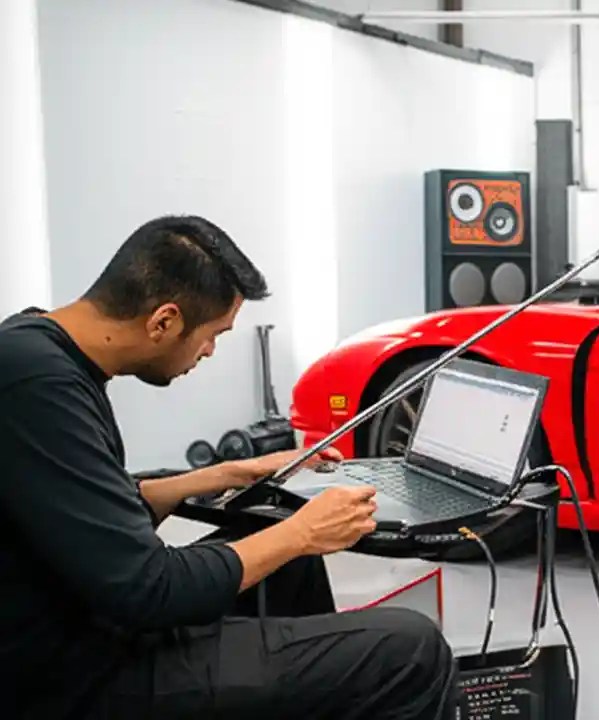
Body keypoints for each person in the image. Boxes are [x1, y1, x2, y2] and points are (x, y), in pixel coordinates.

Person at [0, 216, 458, 719]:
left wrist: (226, 474)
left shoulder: (35, 347)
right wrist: (303, 532)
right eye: (212, 335)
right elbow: (147, 589)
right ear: (164, 321)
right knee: (411, 648)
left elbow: (82, 514)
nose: (209, 352)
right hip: (74, 678)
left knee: (286, 559)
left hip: (86, 627)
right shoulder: (41, 386)